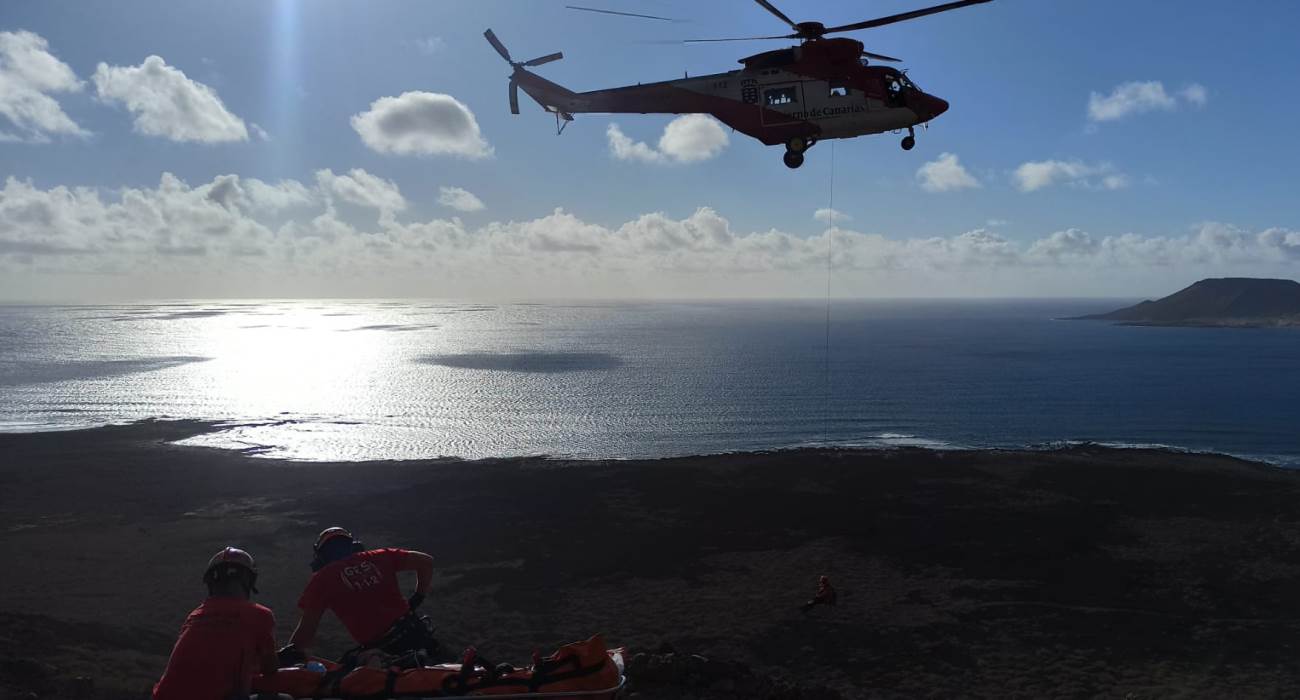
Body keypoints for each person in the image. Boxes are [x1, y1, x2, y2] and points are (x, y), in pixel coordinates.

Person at [284, 527, 435, 660]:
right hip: (415, 632)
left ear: (321, 556)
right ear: (354, 546)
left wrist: (288, 655)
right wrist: (417, 597)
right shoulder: (380, 556)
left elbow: (306, 631)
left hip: (383, 651)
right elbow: (426, 561)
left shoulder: (322, 580)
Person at [153, 547, 278, 700]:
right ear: (248, 581)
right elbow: (270, 670)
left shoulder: (195, 615)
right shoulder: (261, 615)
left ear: (211, 583)